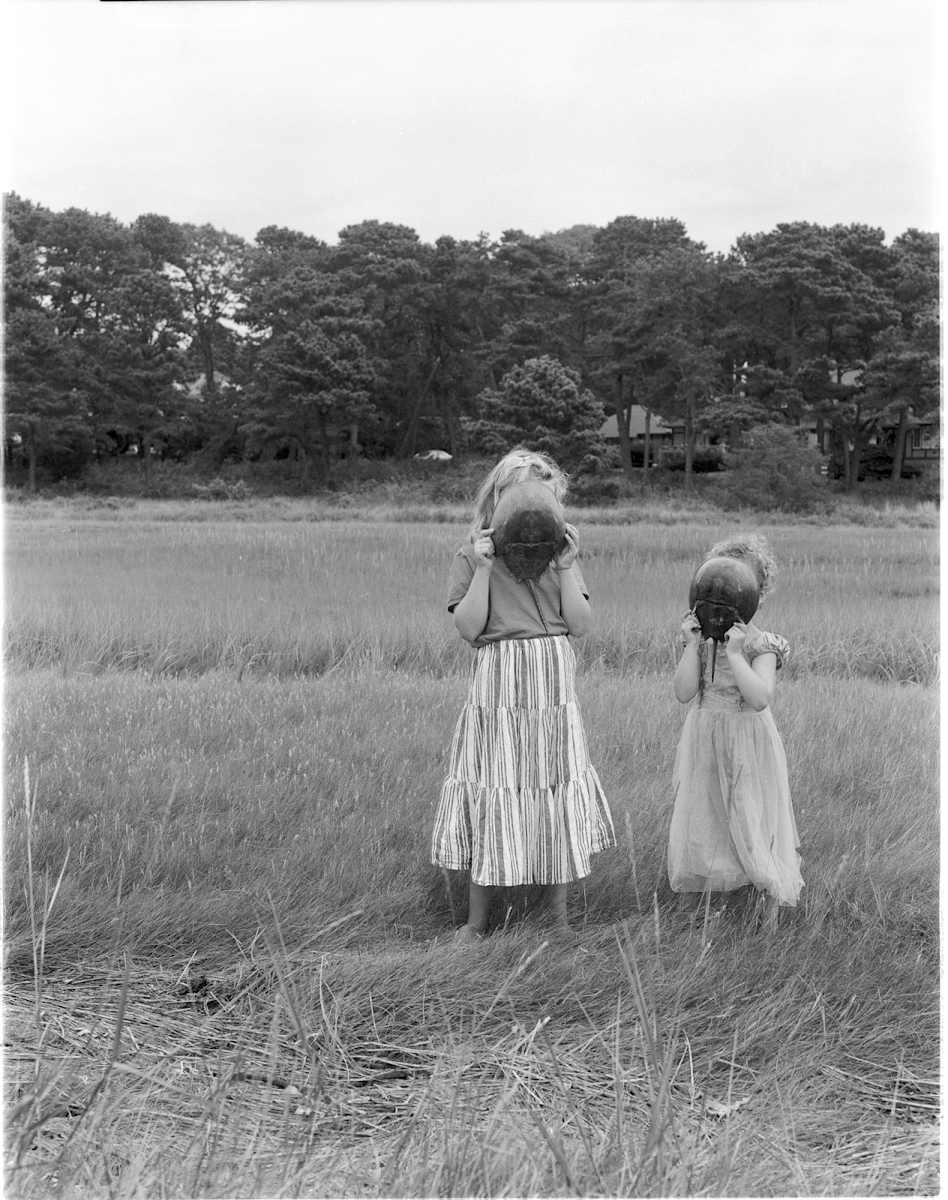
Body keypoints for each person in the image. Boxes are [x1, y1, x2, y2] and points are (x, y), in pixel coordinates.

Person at [431, 448, 615, 942]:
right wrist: (487, 567)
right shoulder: (473, 554)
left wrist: (569, 566)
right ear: (498, 501)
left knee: (552, 786)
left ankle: (555, 917)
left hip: (551, 687)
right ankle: (476, 922)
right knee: (494, 786)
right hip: (499, 686)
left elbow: (579, 625)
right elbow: (469, 629)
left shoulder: (560, 557)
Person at [668, 534, 802, 926]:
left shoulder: (762, 644)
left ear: (756, 593)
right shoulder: (700, 640)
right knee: (702, 812)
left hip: (747, 740)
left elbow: (760, 697)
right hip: (705, 736)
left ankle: (766, 904)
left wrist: (732, 653)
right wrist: (693, 646)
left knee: (751, 814)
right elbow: (683, 692)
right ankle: (692, 905)